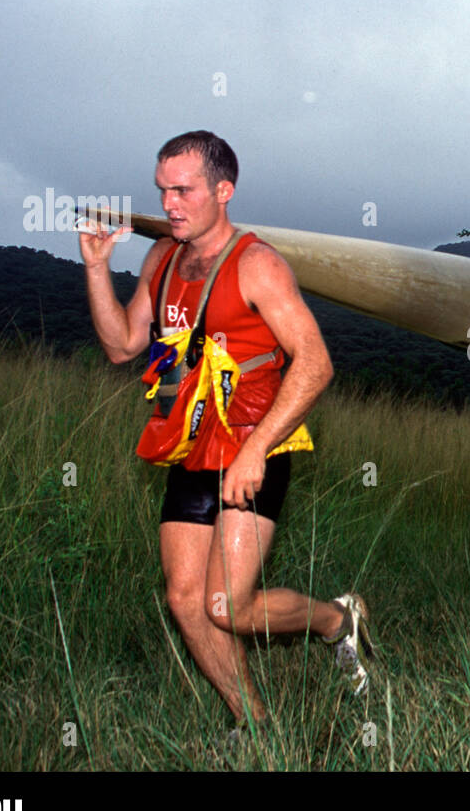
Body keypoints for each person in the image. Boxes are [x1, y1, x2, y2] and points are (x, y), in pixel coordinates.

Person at [80, 130, 373, 723]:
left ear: (224, 190)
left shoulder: (258, 265)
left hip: (252, 443)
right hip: (192, 445)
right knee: (186, 601)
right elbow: (122, 346)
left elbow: (316, 363)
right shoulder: (161, 257)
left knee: (227, 606)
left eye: (183, 191)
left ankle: (338, 620)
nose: (169, 205)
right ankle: (255, 725)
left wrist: (256, 450)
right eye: (163, 191)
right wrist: (95, 269)